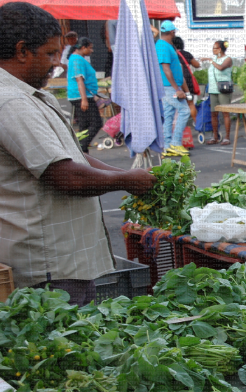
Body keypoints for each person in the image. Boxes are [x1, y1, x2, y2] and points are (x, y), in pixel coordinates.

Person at [0, 2, 156, 305]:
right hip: (47, 266)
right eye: (49, 53)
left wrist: (125, 175)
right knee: (60, 346)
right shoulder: (11, 103)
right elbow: (66, 177)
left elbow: (74, 158)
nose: (58, 63)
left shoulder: (30, 95)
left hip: (62, 260)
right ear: (21, 51)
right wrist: (126, 181)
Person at [156, 20, 190, 157]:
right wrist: (177, 89)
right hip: (170, 87)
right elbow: (166, 69)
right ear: (172, 32)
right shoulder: (163, 46)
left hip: (170, 86)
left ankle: (167, 146)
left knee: (168, 114)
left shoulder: (166, 45)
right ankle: (175, 143)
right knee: (184, 110)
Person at [66, 37, 101, 154]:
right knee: (96, 123)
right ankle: (80, 148)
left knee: (84, 126)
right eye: (90, 48)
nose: (92, 51)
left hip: (81, 95)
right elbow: (79, 80)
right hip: (81, 96)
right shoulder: (77, 59)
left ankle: (84, 155)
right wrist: (84, 100)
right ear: (83, 47)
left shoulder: (76, 58)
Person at [200, 40, 233, 146]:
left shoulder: (227, 59)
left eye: (215, 48)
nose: (213, 50)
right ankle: (215, 136)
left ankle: (227, 137)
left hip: (223, 89)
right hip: (213, 89)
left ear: (220, 49)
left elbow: (221, 67)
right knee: (213, 113)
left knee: (225, 113)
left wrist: (210, 61)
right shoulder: (214, 59)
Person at [173, 36, 200, 121]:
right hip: (188, 80)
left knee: (175, 104)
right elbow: (197, 65)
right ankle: (196, 123)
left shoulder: (172, 54)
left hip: (176, 80)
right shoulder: (187, 54)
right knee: (190, 103)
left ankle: (179, 124)